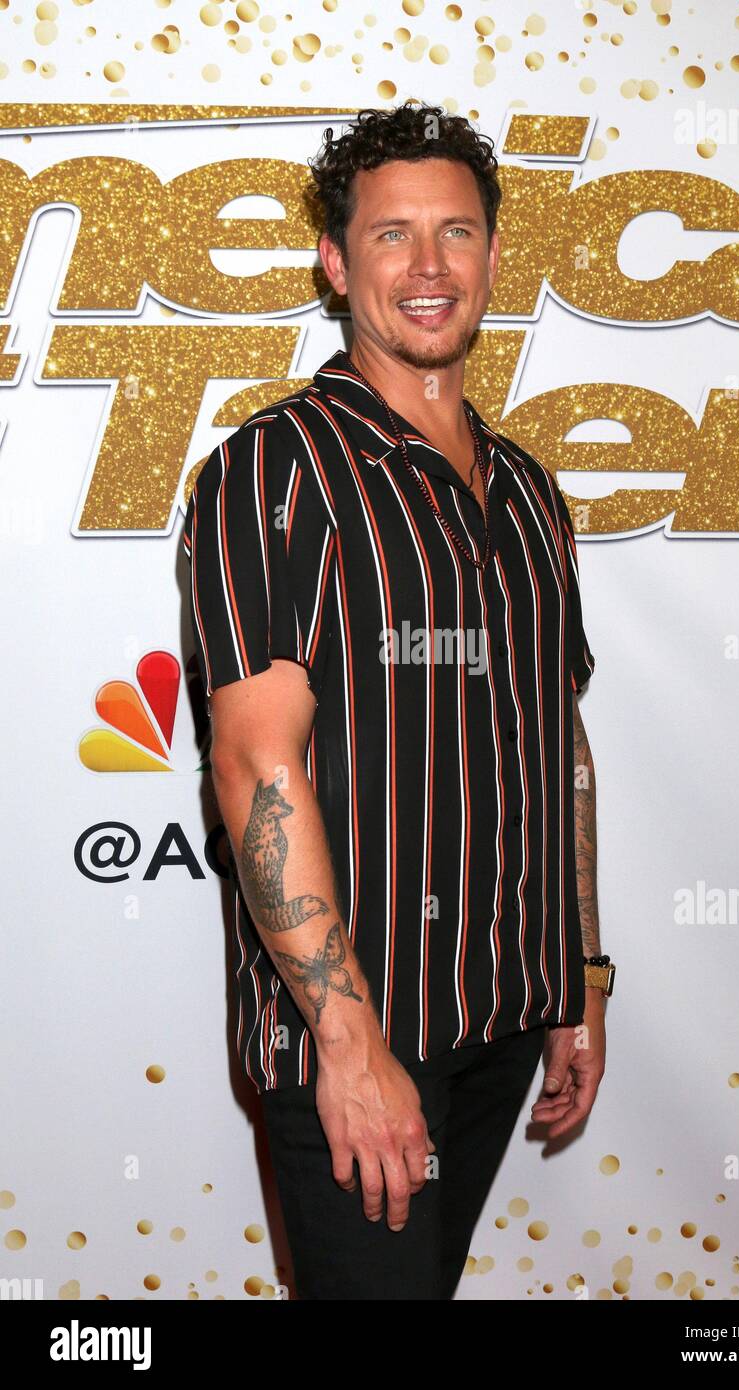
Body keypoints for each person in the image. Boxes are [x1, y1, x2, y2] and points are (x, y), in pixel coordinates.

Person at [182, 101, 614, 1300]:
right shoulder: (275, 469)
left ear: (489, 254)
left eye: (456, 233)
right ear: (335, 262)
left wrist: (573, 972)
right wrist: (350, 1043)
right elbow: (254, 767)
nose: (428, 268)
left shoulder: (529, 490)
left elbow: (554, 743)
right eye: (390, 236)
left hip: (503, 1019)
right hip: (359, 1035)